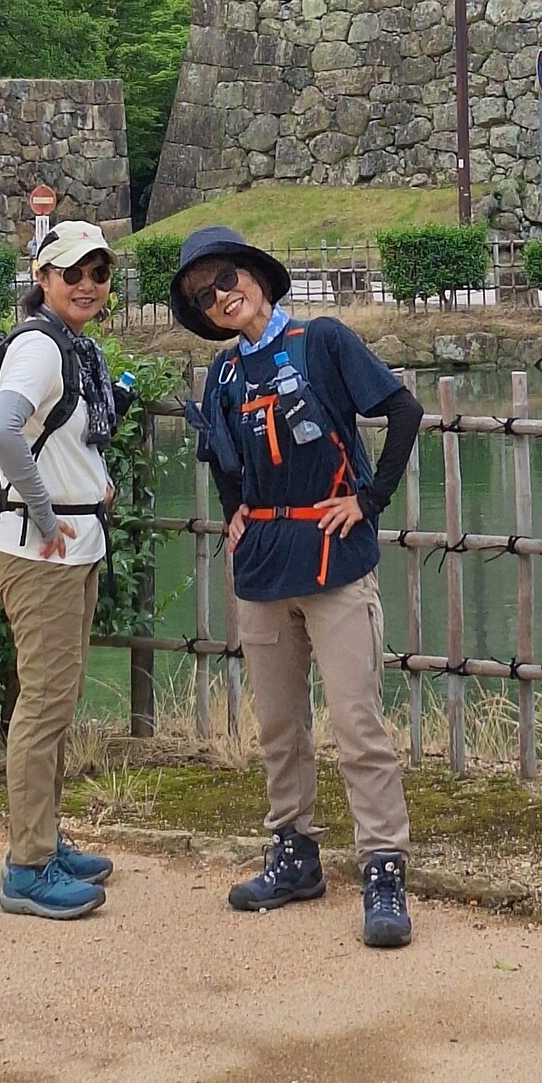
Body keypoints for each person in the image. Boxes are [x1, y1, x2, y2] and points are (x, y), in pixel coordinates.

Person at [172, 225, 424, 949]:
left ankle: (382, 865)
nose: (221, 297)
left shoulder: (323, 340)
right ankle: (294, 853)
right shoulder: (222, 375)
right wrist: (233, 512)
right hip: (262, 565)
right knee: (279, 724)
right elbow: (219, 455)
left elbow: (401, 411)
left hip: (333, 553)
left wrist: (370, 500)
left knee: (356, 721)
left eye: (226, 279)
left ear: (253, 274)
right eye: (203, 294)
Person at [0, 220, 122, 921]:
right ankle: (27, 867)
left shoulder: (74, 349)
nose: (87, 286)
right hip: (42, 553)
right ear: (42, 277)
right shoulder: (40, 347)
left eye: (98, 272)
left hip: (73, 547)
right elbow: (1, 431)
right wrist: (43, 513)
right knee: (41, 708)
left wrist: (90, 481)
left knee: (55, 702)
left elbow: (58, 436)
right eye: (72, 273)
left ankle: (45, 839)